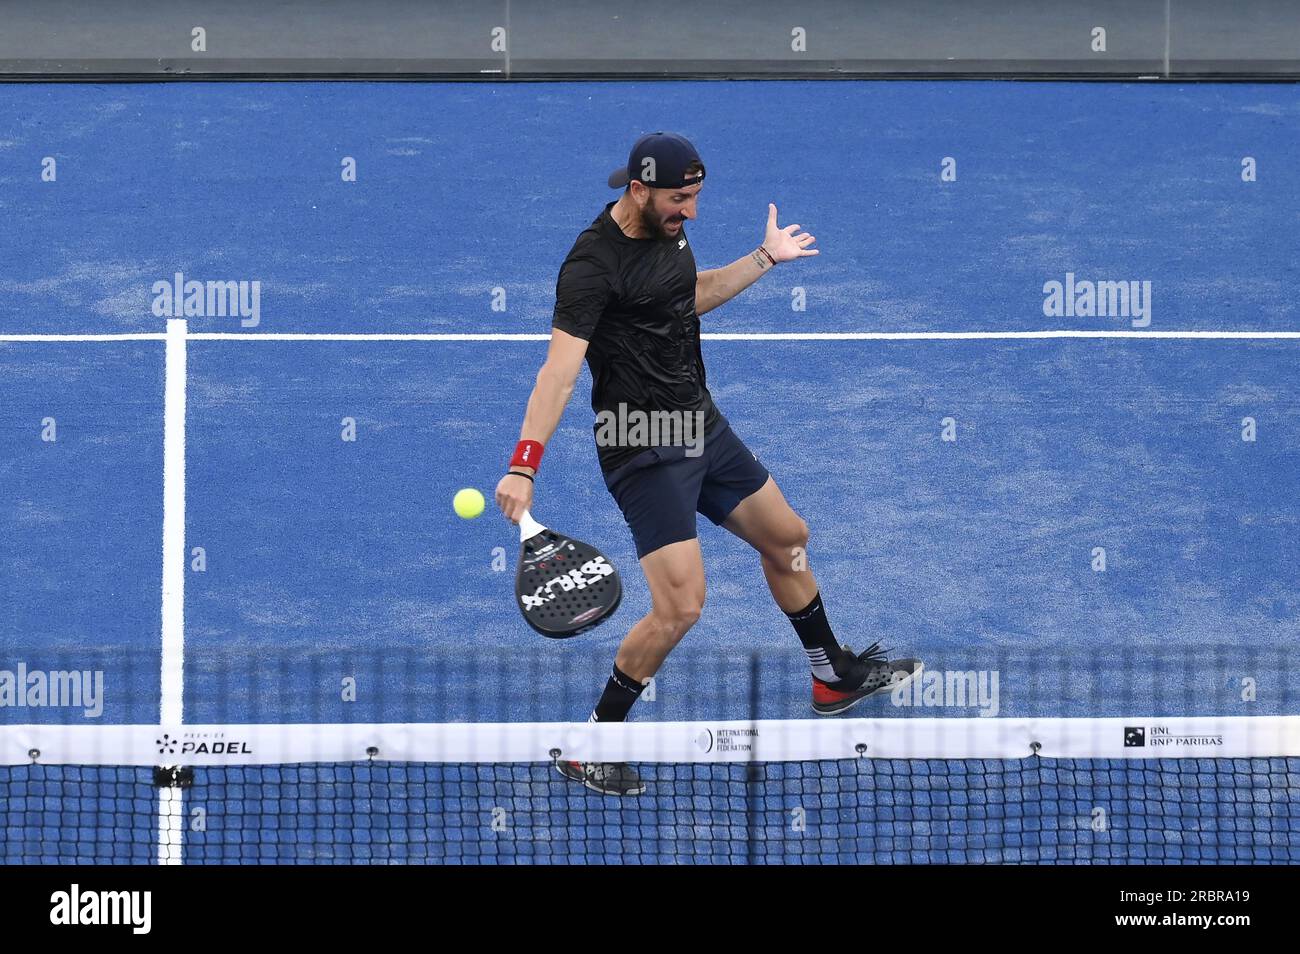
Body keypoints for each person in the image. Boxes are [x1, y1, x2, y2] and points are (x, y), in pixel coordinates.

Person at [496, 132, 921, 795]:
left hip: (700, 423)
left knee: (788, 539)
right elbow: (557, 372)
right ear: (637, 190)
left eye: (694, 198)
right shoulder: (590, 266)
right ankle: (591, 743)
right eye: (679, 200)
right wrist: (525, 464)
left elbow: (684, 294)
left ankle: (830, 673)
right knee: (680, 607)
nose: (689, 212)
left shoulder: (668, 230)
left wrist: (764, 258)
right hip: (641, 445)